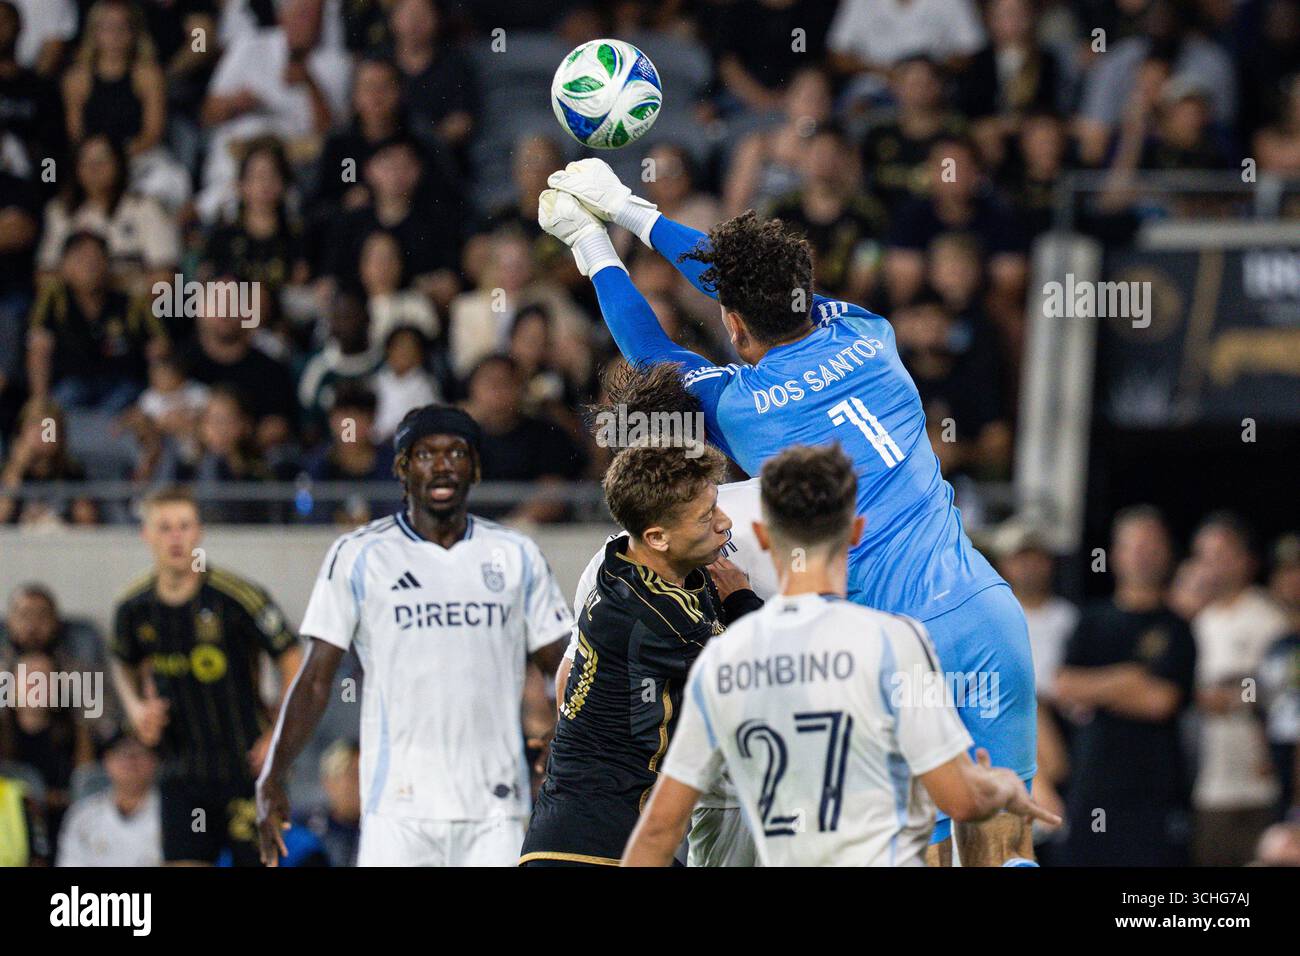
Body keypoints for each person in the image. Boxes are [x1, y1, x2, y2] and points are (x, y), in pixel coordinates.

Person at [539, 159, 1036, 866]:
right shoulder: (869, 333)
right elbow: (757, 281)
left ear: (733, 327)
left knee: (916, 853)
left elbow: (651, 353)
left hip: (889, 648)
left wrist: (592, 245)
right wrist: (630, 209)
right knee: (1005, 840)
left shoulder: (742, 411)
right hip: (985, 614)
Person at [623, 444, 1056, 866]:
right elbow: (960, 799)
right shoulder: (893, 642)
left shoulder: (723, 661)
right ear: (855, 531)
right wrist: (1002, 787)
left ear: (762, 535)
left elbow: (659, 830)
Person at [255, 404, 572, 867]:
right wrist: (273, 772)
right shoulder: (359, 555)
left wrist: (567, 731)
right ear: (402, 469)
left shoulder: (515, 555)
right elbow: (316, 678)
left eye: (456, 453)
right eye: (425, 454)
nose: (442, 465)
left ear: (475, 468)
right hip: (397, 810)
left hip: (495, 808)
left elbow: (564, 666)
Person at [556, 362, 779, 866]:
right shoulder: (783, 500)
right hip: (814, 768)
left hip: (707, 789)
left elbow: (571, 682)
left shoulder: (615, 558)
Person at [519, 442, 762, 867]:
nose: (724, 523)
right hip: (594, 846)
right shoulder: (654, 618)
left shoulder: (620, 564)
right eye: (706, 516)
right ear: (657, 537)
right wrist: (742, 599)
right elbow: (763, 671)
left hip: (590, 833)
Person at [109, 485, 303, 865]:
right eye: (165, 527)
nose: (176, 538)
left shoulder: (237, 597)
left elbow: (291, 656)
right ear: (146, 534)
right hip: (181, 769)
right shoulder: (133, 607)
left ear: (199, 532)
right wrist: (136, 707)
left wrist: (278, 733)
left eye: (184, 526)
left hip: (247, 766)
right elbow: (122, 661)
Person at [1054, 506, 1198, 866]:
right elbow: (1065, 686)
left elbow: (1160, 702)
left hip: (1155, 790)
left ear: (1167, 554)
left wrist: (1097, 690)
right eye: (1134, 546)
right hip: (1093, 782)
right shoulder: (1091, 620)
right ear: (1116, 555)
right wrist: (1128, 678)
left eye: (1152, 546)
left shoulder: (1177, 627)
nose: (1143, 556)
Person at [1189, 512, 1291, 866]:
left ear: (1246, 560)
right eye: (1204, 556)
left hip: (1258, 784)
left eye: (1222, 555)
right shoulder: (1198, 622)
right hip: (1208, 783)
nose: (1212, 565)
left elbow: (1282, 694)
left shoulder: (1269, 619)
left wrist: (1235, 696)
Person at [55, 731, 162, 867]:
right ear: (106, 761)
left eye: (140, 753)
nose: (130, 761)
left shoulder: (175, 813)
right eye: (120, 753)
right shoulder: (83, 816)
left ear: (155, 760)